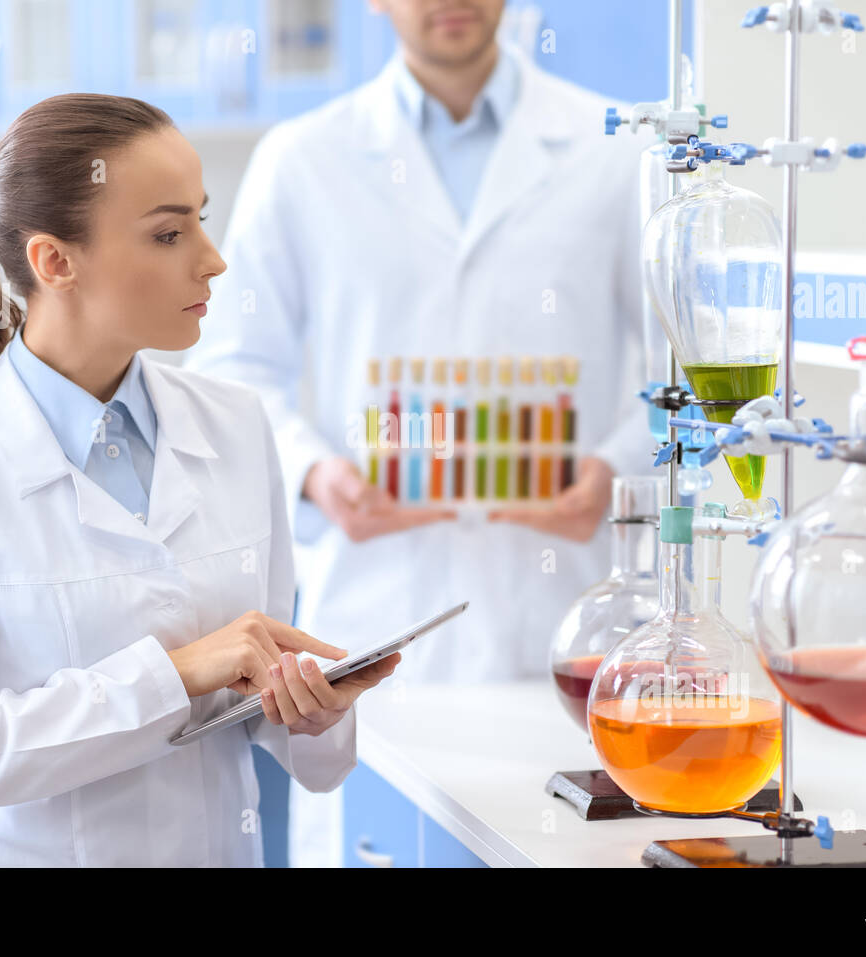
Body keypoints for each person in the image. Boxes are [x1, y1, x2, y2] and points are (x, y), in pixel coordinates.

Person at [0, 93, 399, 867]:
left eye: (202, 221)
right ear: (55, 261)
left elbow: (272, 716)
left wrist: (310, 710)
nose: (212, 258)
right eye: (169, 233)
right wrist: (177, 672)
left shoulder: (239, 426)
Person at [185, 0, 655, 866]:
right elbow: (233, 366)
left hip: (562, 624)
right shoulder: (304, 159)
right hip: (373, 619)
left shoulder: (617, 148)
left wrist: (616, 477)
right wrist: (319, 473)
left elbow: (678, 370)